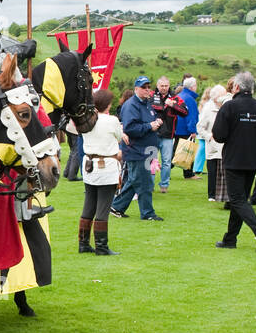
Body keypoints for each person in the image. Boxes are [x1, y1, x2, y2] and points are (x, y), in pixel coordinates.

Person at [212, 70, 256, 252]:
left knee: (238, 200)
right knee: (239, 200)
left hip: (233, 160)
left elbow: (218, 135)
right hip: (252, 161)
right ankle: (230, 239)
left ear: (236, 87)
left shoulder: (229, 107)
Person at [110, 76, 163, 221]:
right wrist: (149, 126)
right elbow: (130, 128)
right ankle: (148, 213)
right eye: (143, 87)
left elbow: (147, 121)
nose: (147, 90)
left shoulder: (147, 103)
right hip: (137, 150)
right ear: (136, 89)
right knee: (144, 182)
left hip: (147, 149)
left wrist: (156, 122)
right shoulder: (131, 105)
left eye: (148, 87)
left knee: (135, 180)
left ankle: (116, 207)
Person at [78, 89, 123, 255]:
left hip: (89, 165)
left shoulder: (86, 119)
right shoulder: (111, 120)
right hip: (106, 167)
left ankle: (83, 243)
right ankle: (101, 246)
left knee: (89, 204)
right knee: (103, 207)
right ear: (108, 105)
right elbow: (118, 137)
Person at [149, 77, 187, 192]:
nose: (164, 88)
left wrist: (172, 105)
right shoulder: (151, 96)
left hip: (168, 136)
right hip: (152, 134)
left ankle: (164, 185)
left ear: (169, 85)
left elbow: (185, 112)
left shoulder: (175, 98)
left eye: (166, 86)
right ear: (157, 85)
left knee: (166, 162)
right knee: (151, 161)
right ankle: (150, 186)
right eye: (162, 86)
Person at [198, 85, 229, 203]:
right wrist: (208, 136)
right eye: (223, 94)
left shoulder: (226, 106)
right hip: (212, 144)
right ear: (216, 97)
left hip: (224, 144)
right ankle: (211, 194)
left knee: (224, 171)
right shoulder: (208, 108)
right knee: (212, 170)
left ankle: (223, 194)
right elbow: (200, 127)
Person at [174, 76, 200, 178]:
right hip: (185, 129)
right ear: (192, 87)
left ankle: (167, 168)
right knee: (188, 151)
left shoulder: (179, 96)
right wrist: (192, 130)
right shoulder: (190, 99)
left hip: (177, 127)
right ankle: (189, 174)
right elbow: (191, 116)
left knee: (176, 150)